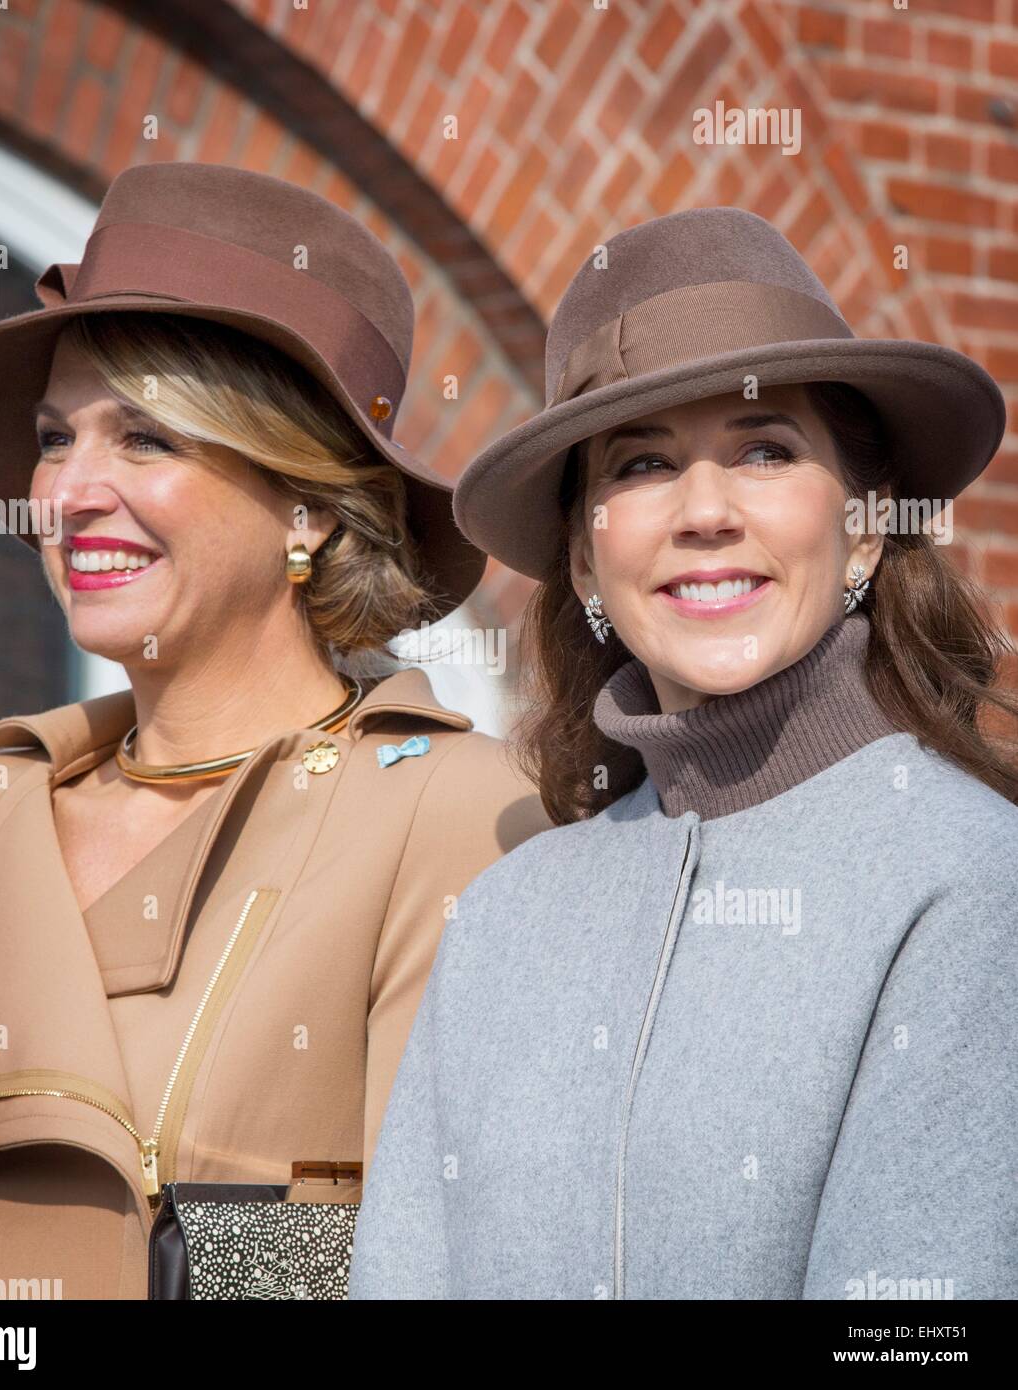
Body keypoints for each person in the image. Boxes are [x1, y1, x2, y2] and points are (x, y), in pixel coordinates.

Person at [0, 161, 551, 1299]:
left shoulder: (446, 815)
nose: (70, 492)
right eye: (57, 437)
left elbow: (440, 1262)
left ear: (304, 502)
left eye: (145, 438)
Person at [348, 206, 1018, 1300]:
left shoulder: (971, 880)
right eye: (644, 464)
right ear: (579, 558)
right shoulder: (503, 917)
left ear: (859, 526)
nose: (703, 510)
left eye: (763, 449)